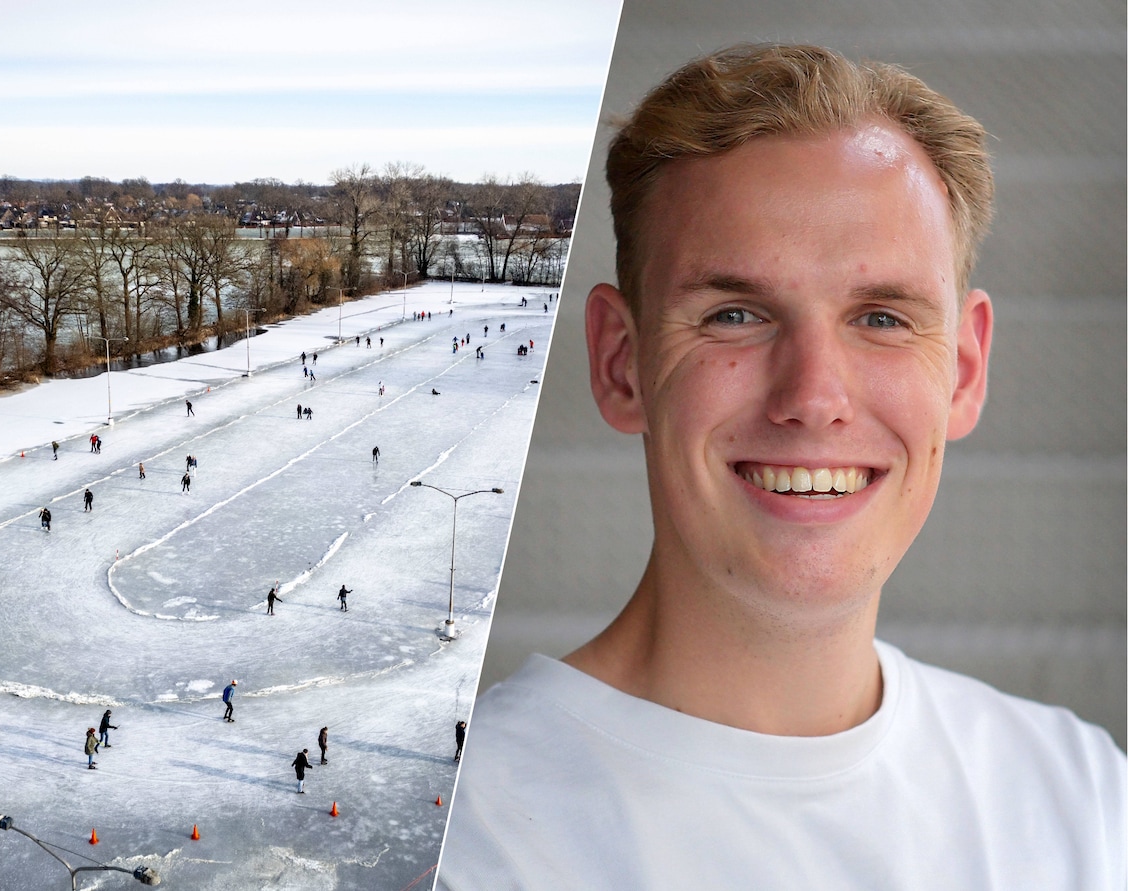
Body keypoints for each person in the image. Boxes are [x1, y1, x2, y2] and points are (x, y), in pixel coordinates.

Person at [438, 44, 1126, 890]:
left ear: (964, 369)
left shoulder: (1082, 802)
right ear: (621, 363)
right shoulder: (467, 840)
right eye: (735, 313)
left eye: (881, 318)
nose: (813, 396)